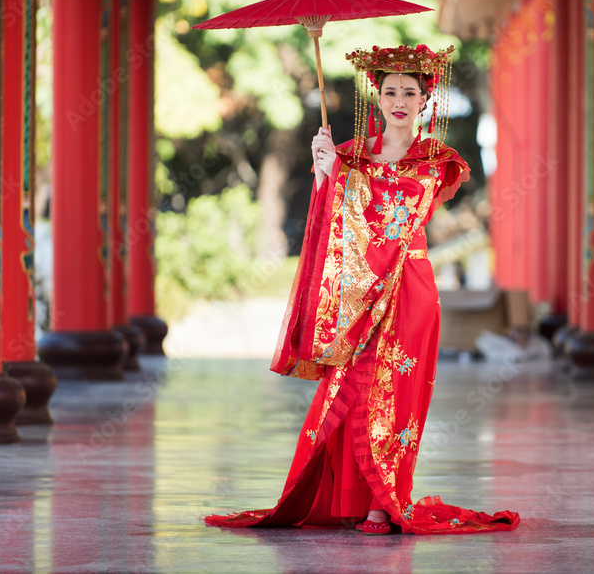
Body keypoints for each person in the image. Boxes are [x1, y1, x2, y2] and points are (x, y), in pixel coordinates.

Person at [205, 44, 519, 535]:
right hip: (358, 296)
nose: (399, 100)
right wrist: (329, 172)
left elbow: (397, 210)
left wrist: (346, 177)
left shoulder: (436, 160)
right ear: (378, 97)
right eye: (390, 91)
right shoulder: (349, 154)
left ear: (425, 99)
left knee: (394, 392)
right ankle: (348, 498)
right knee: (350, 391)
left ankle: (383, 499)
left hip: (408, 289)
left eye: (409, 93)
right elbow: (334, 227)